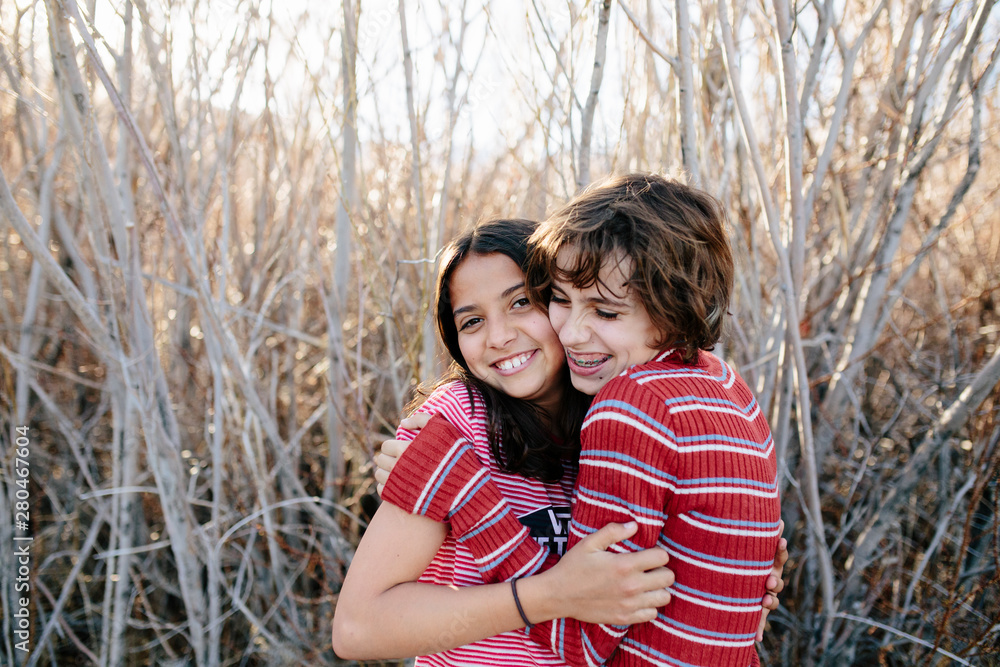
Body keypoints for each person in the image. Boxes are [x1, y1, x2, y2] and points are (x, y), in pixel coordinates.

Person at [379, 173, 783, 666]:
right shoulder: (725, 385)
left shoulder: (629, 407)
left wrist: (462, 491)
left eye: (607, 312)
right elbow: (360, 626)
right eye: (562, 300)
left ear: (672, 311)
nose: (571, 332)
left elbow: (581, 639)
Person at [332, 218, 679, 665]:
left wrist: (745, 564)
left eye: (520, 302)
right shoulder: (455, 426)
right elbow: (358, 628)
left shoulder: (626, 418)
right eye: (472, 321)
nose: (498, 337)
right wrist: (549, 595)